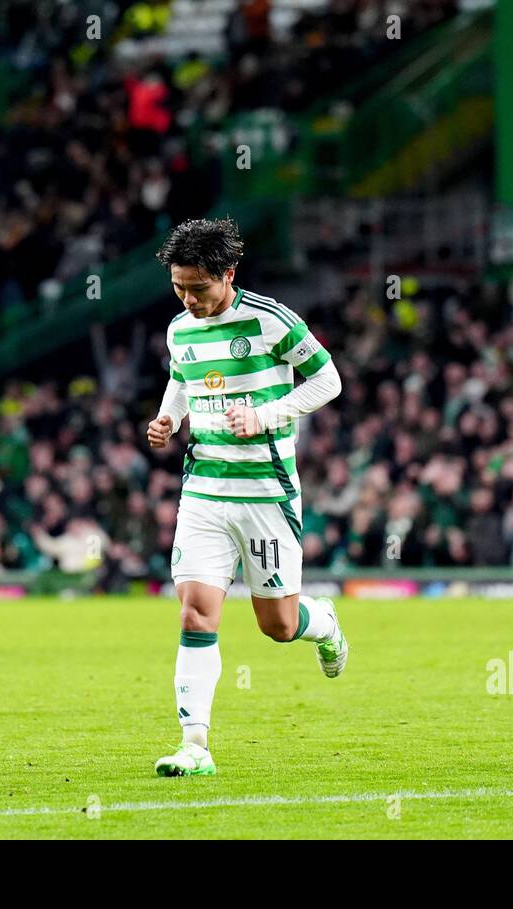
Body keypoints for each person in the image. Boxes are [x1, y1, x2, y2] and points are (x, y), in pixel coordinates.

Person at [146, 218, 346, 776]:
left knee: (277, 626)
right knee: (195, 613)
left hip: (266, 491)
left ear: (227, 274)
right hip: (205, 487)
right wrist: (168, 418)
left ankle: (323, 622)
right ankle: (194, 746)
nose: (188, 299)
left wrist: (265, 415)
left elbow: (328, 381)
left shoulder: (270, 320)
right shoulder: (179, 329)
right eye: (178, 286)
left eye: (199, 288)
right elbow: (183, 378)